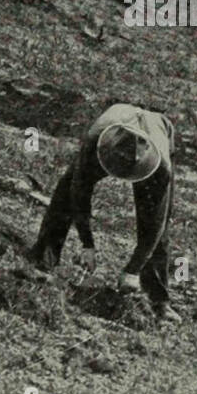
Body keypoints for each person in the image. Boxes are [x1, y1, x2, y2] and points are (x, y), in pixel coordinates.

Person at [28, 101, 180, 322]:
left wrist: (132, 270)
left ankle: (158, 300)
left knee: (159, 224)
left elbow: (156, 224)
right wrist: (87, 244)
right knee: (65, 193)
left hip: (159, 131)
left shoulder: (160, 167)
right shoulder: (95, 142)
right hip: (113, 127)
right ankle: (43, 259)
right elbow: (78, 193)